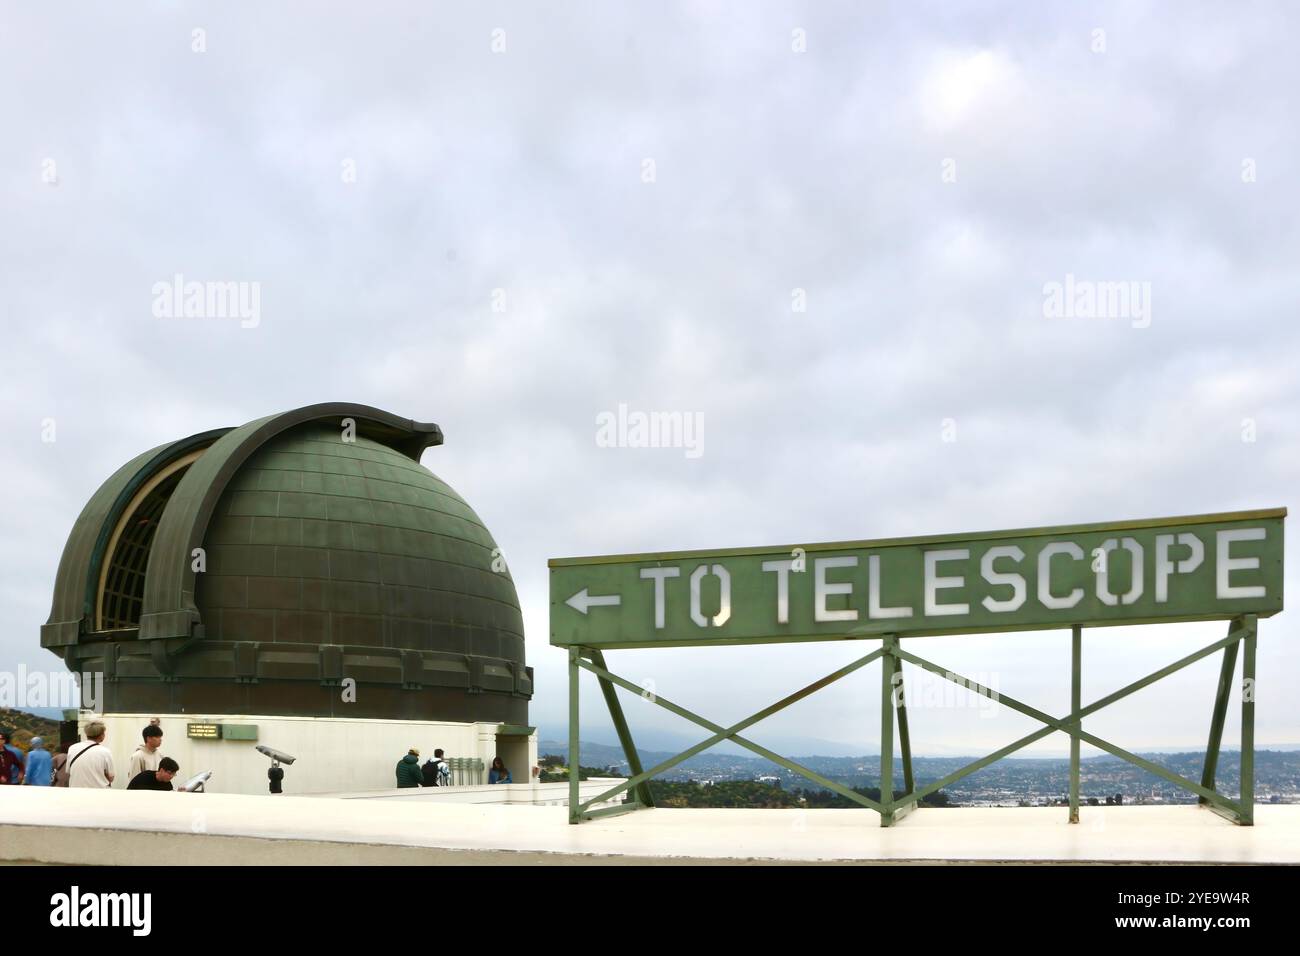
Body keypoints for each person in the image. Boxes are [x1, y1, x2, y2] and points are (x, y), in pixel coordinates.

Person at [67, 721, 114, 788]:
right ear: (101, 735)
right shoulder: (105, 752)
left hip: (76, 792)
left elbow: (69, 772)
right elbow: (111, 778)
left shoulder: (72, 748)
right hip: (98, 793)